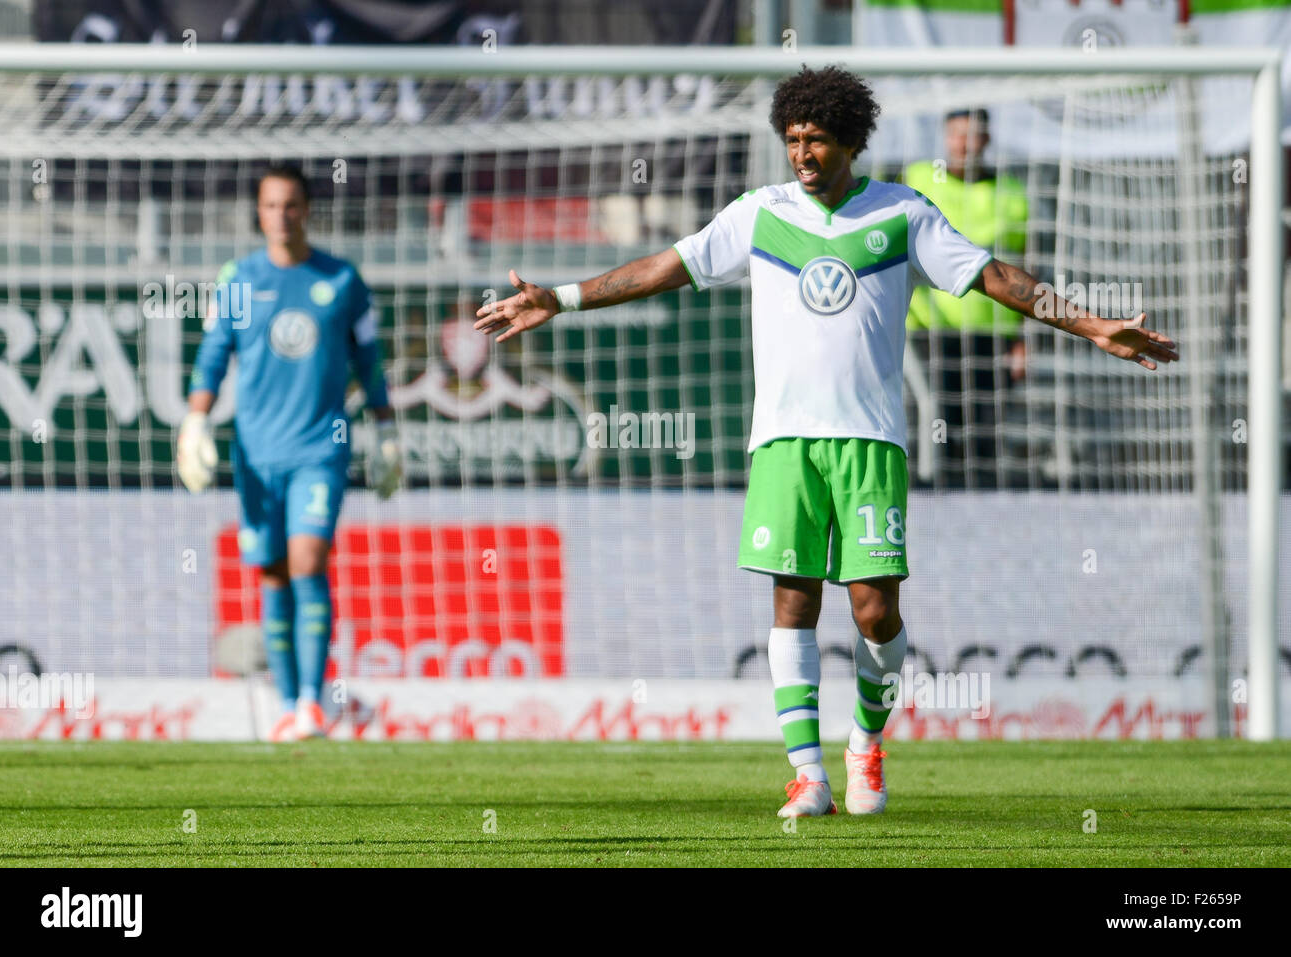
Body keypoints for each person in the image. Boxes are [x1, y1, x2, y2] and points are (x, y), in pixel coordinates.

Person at [473, 67, 1177, 816]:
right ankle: (808, 775)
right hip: (783, 441)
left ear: (850, 140)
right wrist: (564, 297)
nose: (803, 152)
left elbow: (995, 277)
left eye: (816, 139)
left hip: (869, 441)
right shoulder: (758, 213)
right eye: (793, 139)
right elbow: (666, 266)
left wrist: (1092, 322)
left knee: (875, 610)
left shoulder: (902, 213)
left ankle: (866, 740)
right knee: (793, 601)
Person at [176, 164, 403, 742]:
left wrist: (386, 430)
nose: (281, 216)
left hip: (318, 449)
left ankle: (311, 702)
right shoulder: (239, 280)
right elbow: (213, 355)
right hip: (256, 456)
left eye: (292, 205)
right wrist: (196, 419)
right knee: (274, 575)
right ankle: (285, 704)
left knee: (307, 561)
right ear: (259, 212)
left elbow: (369, 362)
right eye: (271, 206)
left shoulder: (341, 279)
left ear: (307, 210)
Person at [904, 108, 1030, 488]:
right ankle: (927, 506)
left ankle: (980, 521)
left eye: (971, 135)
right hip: (929, 331)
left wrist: (1021, 338)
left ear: (986, 141)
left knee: (984, 433)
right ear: (945, 137)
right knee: (932, 421)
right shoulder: (918, 179)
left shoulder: (1011, 193)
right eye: (956, 134)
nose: (962, 143)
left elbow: (1022, 268)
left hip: (990, 332)